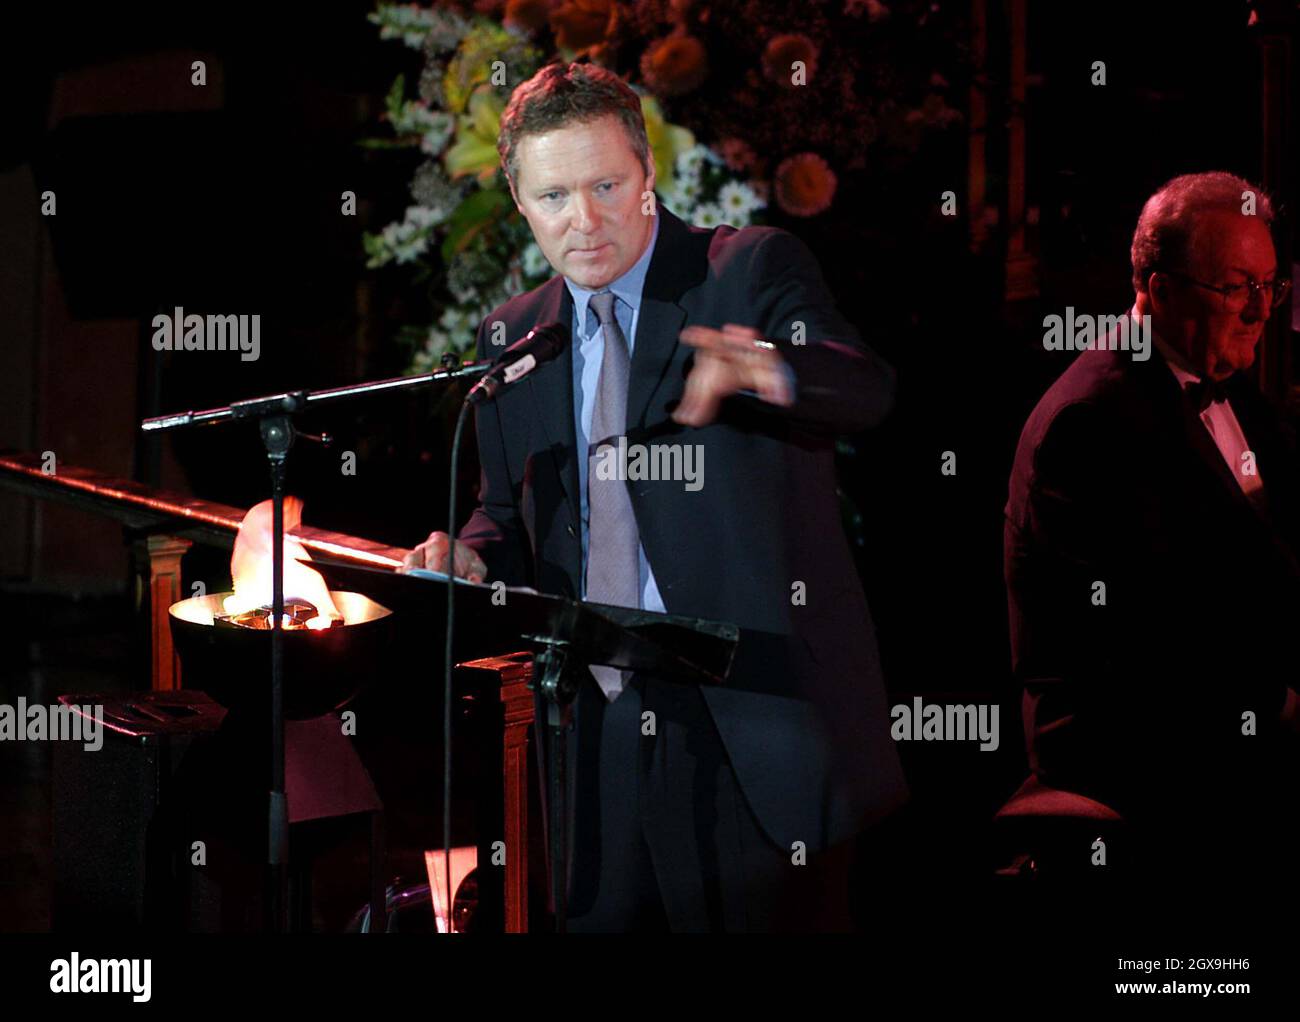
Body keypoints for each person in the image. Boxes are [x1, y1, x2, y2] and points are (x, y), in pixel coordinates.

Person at [405, 62, 906, 930]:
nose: (584, 220)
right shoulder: (515, 334)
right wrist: (471, 550)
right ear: (520, 202)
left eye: (606, 185)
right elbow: (508, 509)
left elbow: (866, 390)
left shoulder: (742, 271)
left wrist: (771, 369)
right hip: (590, 742)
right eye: (554, 195)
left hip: (750, 726)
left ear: (647, 176)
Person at [1004, 171, 1300, 881]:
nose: (1259, 312)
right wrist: (1282, 704)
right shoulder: (1093, 421)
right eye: (1238, 288)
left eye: (1270, 287)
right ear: (1158, 287)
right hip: (1131, 742)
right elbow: (1143, 636)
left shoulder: (1231, 391)